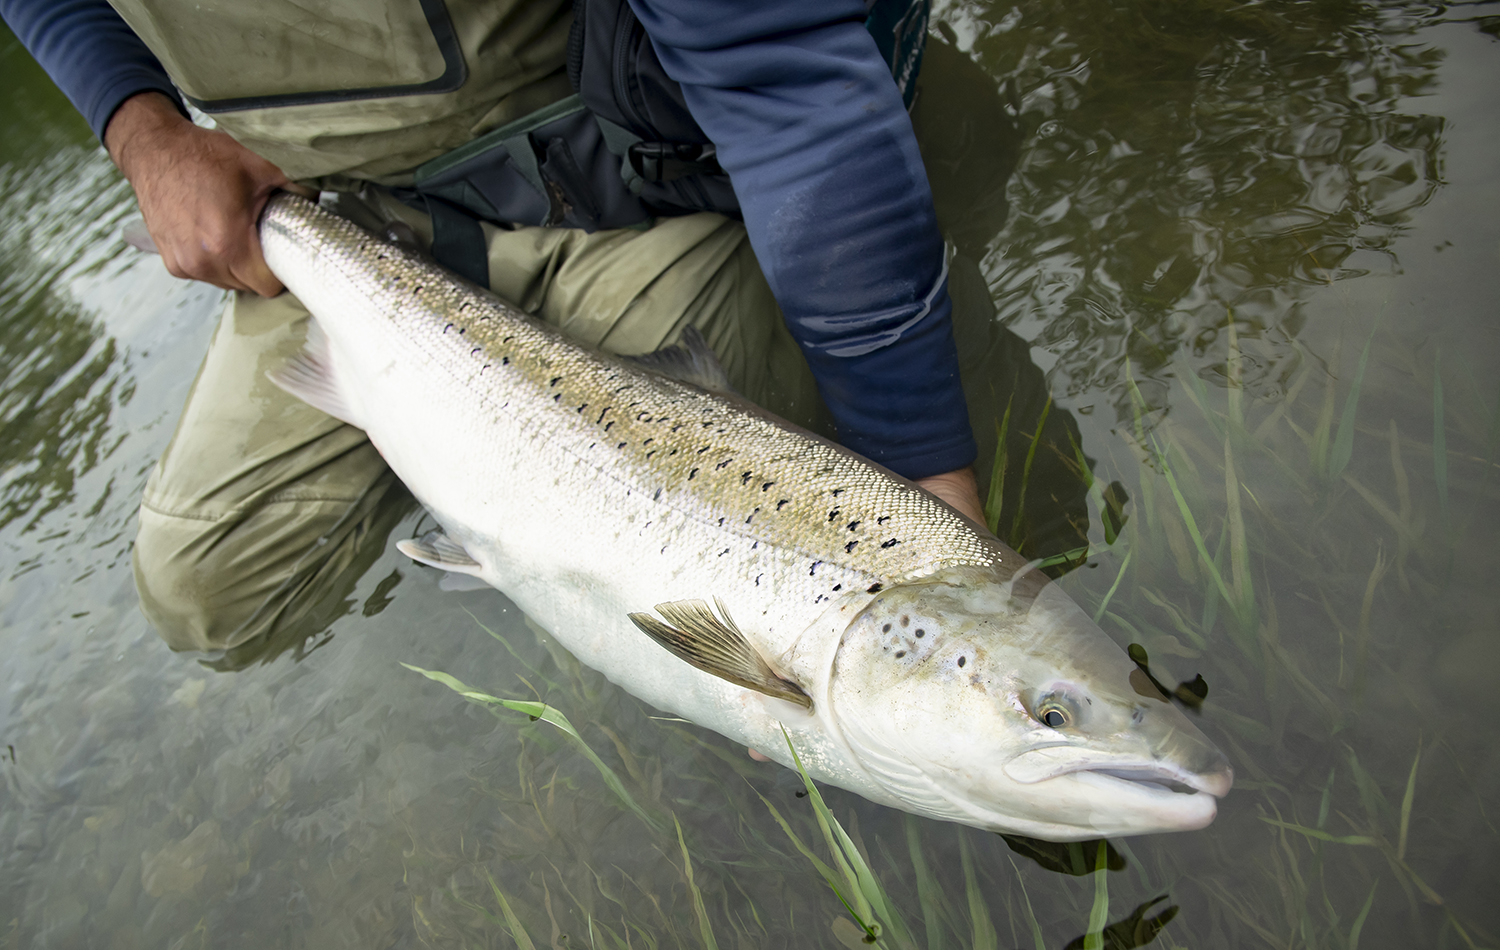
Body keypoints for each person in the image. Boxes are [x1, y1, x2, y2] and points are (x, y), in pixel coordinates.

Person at [1, 0, 987, 654]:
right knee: (208, 592)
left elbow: (788, 91)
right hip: (346, 216)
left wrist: (925, 497)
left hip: (631, 193)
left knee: (772, 577)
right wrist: (145, 132)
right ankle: (448, 449)